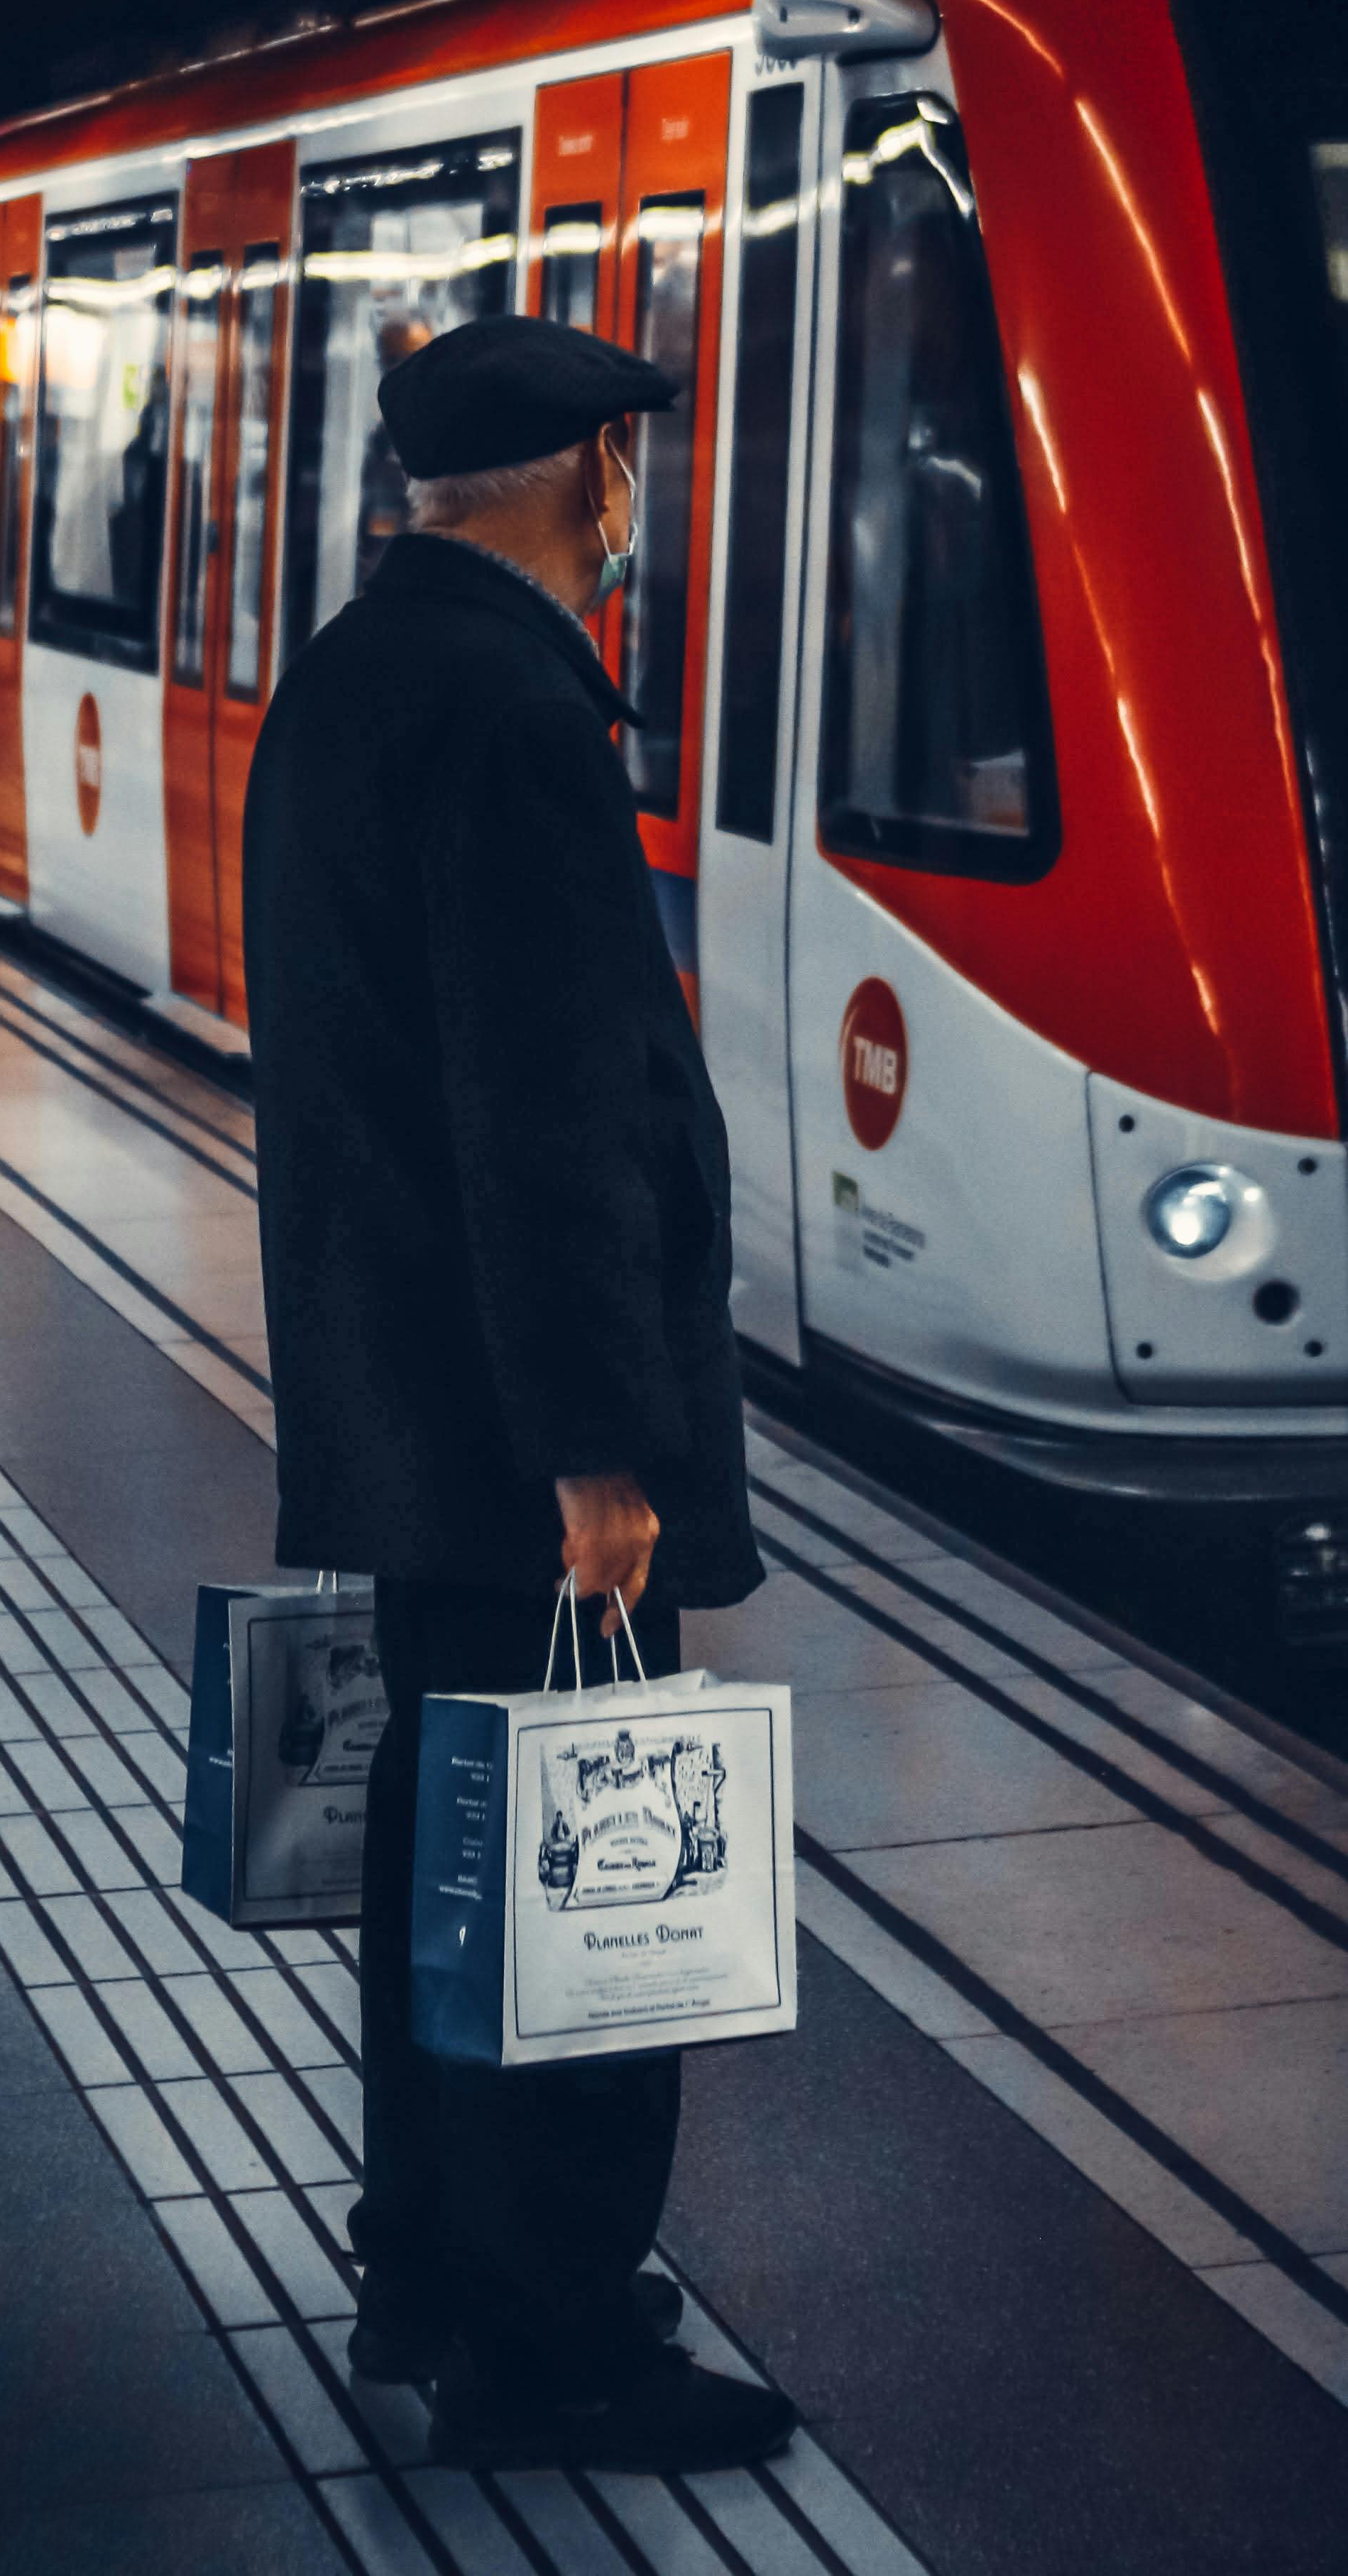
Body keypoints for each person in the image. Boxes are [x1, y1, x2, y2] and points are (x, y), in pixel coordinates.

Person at [243, 312, 788, 2478]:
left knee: (443, 1859)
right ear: (594, 481)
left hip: (407, 1400)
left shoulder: (359, 668)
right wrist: (601, 1441)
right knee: (584, 1873)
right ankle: (552, 2337)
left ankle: (437, 2264)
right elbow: (548, 1114)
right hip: (516, 1432)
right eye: (625, 460)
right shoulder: (512, 706)